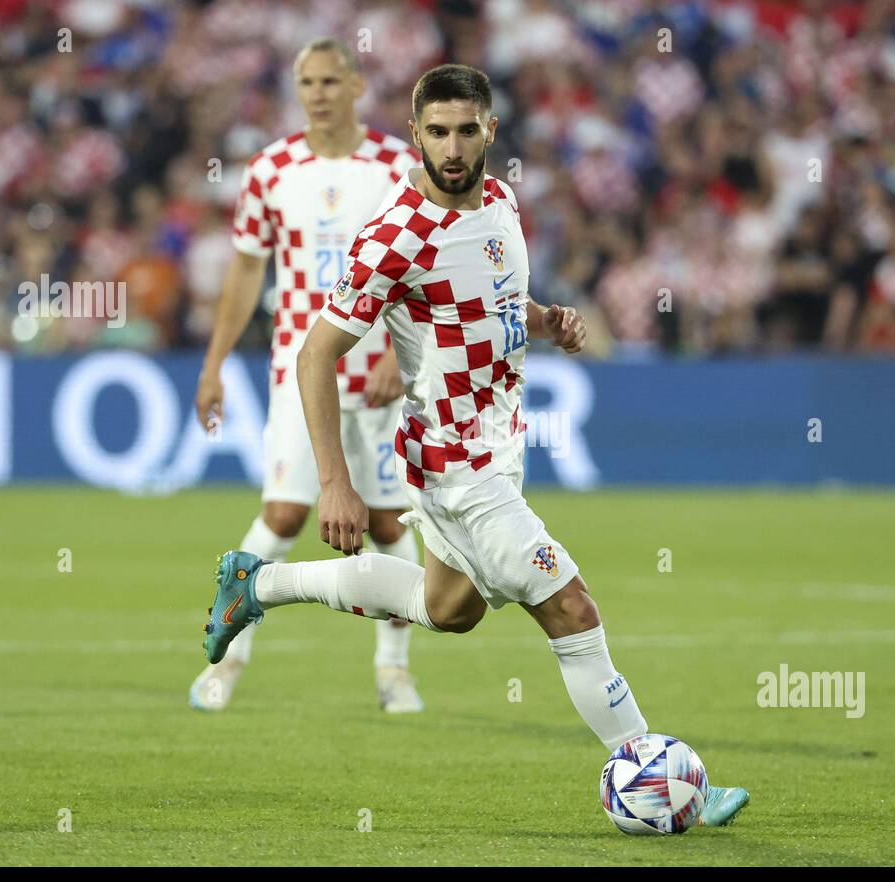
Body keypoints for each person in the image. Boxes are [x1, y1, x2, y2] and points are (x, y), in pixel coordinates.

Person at [201, 64, 749, 827]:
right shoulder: (394, 235)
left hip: (499, 453)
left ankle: (257, 586)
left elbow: (487, 293)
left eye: (466, 130)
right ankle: (654, 777)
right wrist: (335, 480)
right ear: (415, 135)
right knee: (570, 605)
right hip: (456, 468)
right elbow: (313, 354)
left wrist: (544, 319)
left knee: (448, 608)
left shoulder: (500, 200)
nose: (452, 148)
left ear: (490, 131)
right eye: (436, 132)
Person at [189, 39, 425, 714]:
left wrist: (394, 355)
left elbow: (419, 266)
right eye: (306, 82)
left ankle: (393, 670)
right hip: (302, 363)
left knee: (385, 521)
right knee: (286, 511)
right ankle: (227, 662)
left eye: (330, 80)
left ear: (356, 86)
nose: (317, 92)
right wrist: (213, 365)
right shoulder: (271, 168)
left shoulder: (397, 164)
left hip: (379, 367)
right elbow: (244, 272)